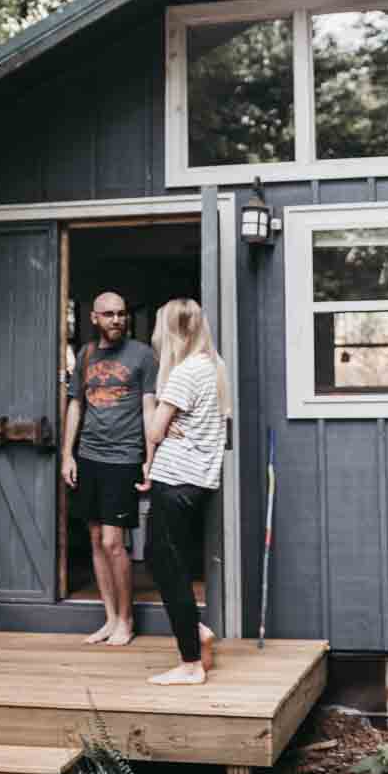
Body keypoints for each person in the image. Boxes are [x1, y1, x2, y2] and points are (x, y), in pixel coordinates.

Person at [61, 290, 158, 646]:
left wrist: (150, 457)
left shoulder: (143, 355)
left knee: (114, 541)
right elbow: (75, 406)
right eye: (109, 314)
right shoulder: (85, 355)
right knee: (95, 540)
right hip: (89, 456)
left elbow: (150, 408)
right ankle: (110, 617)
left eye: (121, 313)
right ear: (95, 318)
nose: (117, 320)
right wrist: (68, 455)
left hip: (125, 457)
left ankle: (127, 621)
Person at [140, 299, 229, 685]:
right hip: (199, 480)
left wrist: (160, 415)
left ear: (172, 332)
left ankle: (191, 662)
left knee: (166, 565)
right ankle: (198, 633)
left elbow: (155, 431)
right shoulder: (214, 367)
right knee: (168, 561)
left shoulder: (183, 373)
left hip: (175, 479)